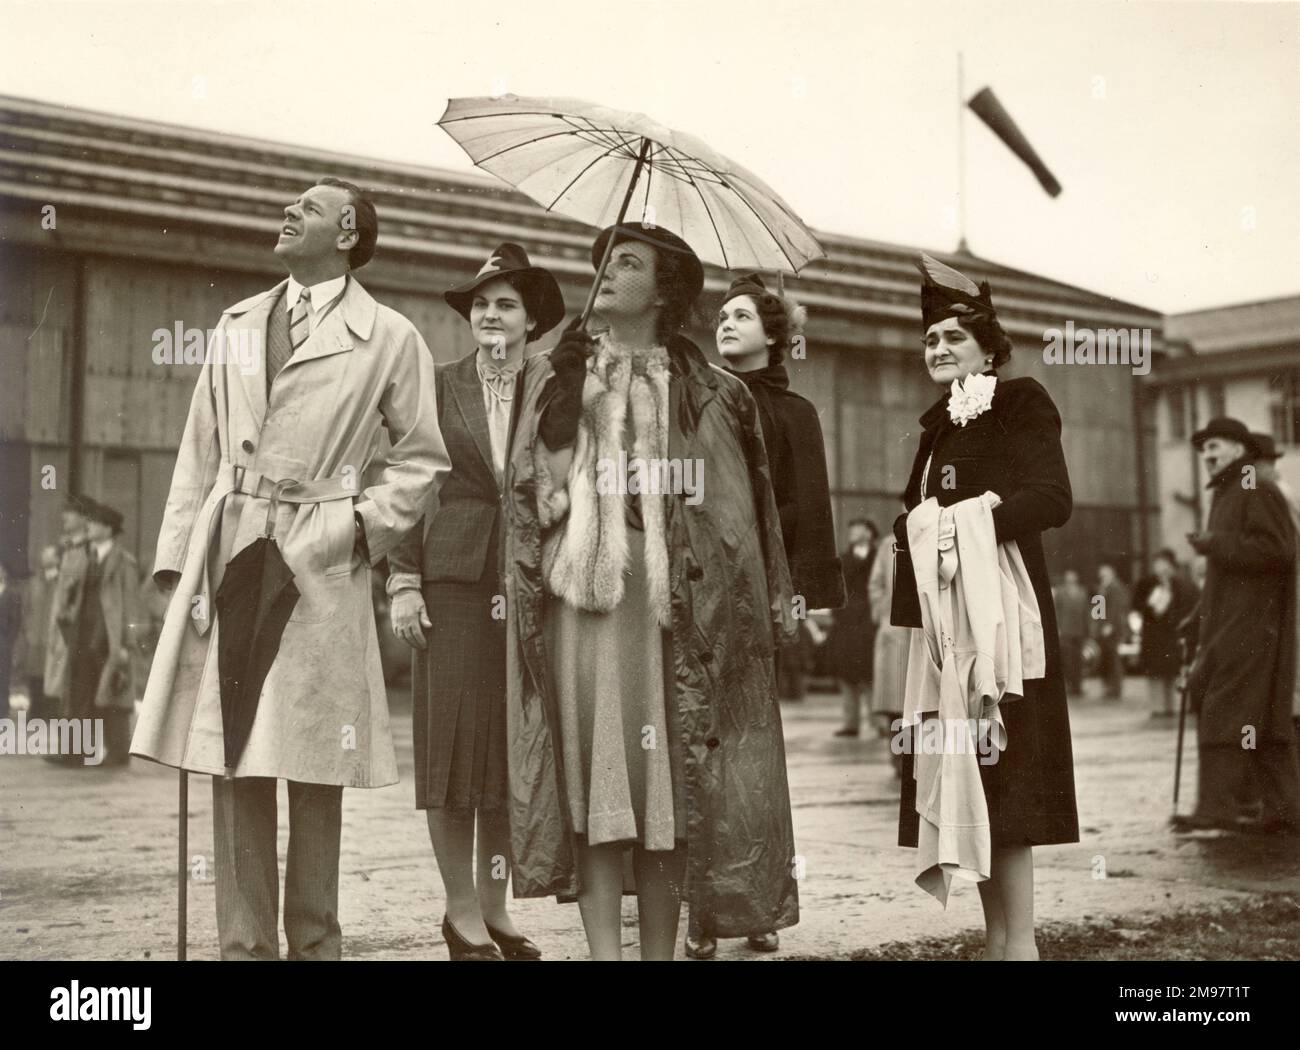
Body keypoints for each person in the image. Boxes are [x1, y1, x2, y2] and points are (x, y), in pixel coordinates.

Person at [131, 177, 451, 959]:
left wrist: (352, 529)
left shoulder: (390, 336)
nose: (286, 213)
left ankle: (316, 945)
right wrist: (177, 563)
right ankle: (244, 949)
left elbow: (421, 462)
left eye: (306, 207)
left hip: (320, 559)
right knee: (231, 753)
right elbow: (198, 449)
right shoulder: (237, 323)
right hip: (233, 545)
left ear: (347, 229)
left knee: (314, 757)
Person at [504, 221, 800, 961]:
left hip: (675, 612)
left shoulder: (712, 390)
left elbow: (740, 521)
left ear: (665, 291)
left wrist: (666, 487)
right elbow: (528, 500)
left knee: (666, 792)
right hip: (586, 610)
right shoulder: (552, 372)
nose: (605, 270)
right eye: (603, 259)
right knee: (597, 787)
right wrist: (566, 420)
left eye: (626, 262)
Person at [891, 253, 1078, 960]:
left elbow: (1051, 498)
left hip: (1005, 616)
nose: (938, 349)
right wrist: (920, 530)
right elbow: (912, 512)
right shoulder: (936, 424)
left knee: (1012, 781)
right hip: (950, 623)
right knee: (972, 779)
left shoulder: (1020, 401)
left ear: (989, 349)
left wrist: (963, 520)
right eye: (930, 341)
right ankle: (996, 937)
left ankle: (1021, 943)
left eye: (953, 339)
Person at [387, 243, 564, 960]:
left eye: (505, 305)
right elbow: (408, 480)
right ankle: (459, 913)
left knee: (504, 761)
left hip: (528, 584)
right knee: (452, 756)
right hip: (452, 584)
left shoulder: (551, 388)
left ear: (530, 320)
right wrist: (402, 579)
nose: (490, 315)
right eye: (481, 305)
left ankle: (497, 910)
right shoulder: (436, 384)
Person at [681, 271, 844, 959]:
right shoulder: (699, 400)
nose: (725, 323)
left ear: (776, 335)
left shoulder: (794, 411)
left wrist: (803, 591)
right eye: (721, 315)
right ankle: (699, 911)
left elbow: (810, 505)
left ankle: (759, 905)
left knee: (751, 750)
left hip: (756, 591)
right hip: (696, 587)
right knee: (695, 748)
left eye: (742, 315)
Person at [1175, 418, 1300, 835]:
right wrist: (1197, 618)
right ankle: (1284, 809)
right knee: (1261, 717)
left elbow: (1278, 549)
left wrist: (1215, 543)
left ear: (1238, 449)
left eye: (1215, 446)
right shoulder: (1232, 491)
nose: (1207, 455)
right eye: (1203, 449)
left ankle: (1219, 807)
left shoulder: (1252, 487)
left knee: (1223, 707)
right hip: (1235, 624)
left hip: (1250, 627)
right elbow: (1232, 571)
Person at [61, 500, 142, 765]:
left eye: (95, 523)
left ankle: (118, 753)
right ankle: (76, 752)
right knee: (80, 693)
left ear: (108, 529)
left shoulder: (123, 562)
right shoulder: (86, 558)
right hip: (83, 637)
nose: (89, 526)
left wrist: (126, 645)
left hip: (109, 639)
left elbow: (131, 607)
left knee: (114, 693)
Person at [1133, 549, 1197, 719]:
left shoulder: (1183, 585)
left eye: (1163, 564)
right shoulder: (1147, 583)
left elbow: (1188, 608)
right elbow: (1139, 606)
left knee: (1175, 672)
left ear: (1171, 566)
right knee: (1156, 674)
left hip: (1173, 635)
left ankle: (1177, 707)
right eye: (1157, 564)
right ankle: (1158, 707)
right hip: (1154, 636)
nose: (1160, 568)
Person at [867, 520, 909, 774]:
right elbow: (876, 583)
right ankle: (899, 762)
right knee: (897, 705)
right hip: (896, 631)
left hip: (927, 633)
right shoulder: (888, 545)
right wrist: (885, 615)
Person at [830, 520, 879, 736]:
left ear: (869, 533)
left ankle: (878, 723)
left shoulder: (879, 557)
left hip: (869, 623)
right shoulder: (843, 559)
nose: (852, 532)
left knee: (871, 674)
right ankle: (851, 723)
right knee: (847, 675)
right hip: (847, 625)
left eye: (858, 528)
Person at [19, 545, 60, 721]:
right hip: (35, 637)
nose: (43, 557)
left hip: (53, 639)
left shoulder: (62, 581)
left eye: (48, 554)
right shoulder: (34, 582)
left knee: (52, 675)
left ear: (57, 558)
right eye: (43, 553)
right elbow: (26, 608)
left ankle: (51, 712)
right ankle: (35, 712)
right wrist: (28, 630)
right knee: (34, 675)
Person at [1093, 563, 1131, 700]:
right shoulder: (1103, 588)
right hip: (1103, 628)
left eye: (1105, 574)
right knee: (1106, 658)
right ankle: (1109, 686)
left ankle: (1115, 688)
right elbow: (1097, 607)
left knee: (1113, 659)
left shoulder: (1116, 588)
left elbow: (1116, 608)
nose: (1102, 577)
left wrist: (1109, 624)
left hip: (1111, 629)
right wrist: (1097, 623)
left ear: (1111, 574)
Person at [1052, 569, 1088, 698]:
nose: (1071, 580)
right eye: (1068, 578)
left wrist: (1087, 629)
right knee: (1068, 659)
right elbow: (1055, 611)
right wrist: (1057, 628)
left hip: (1079, 630)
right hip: (1065, 630)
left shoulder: (1082, 592)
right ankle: (1070, 685)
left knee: (1078, 659)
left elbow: (1086, 612)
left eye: (1073, 578)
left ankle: (1078, 686)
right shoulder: (1060, 592)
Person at [0, 560, 19, 721]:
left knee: (3, 674)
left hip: (3, 640)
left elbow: (16, 620)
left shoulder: (12, 594)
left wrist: (9, 641)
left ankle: (3, 709)